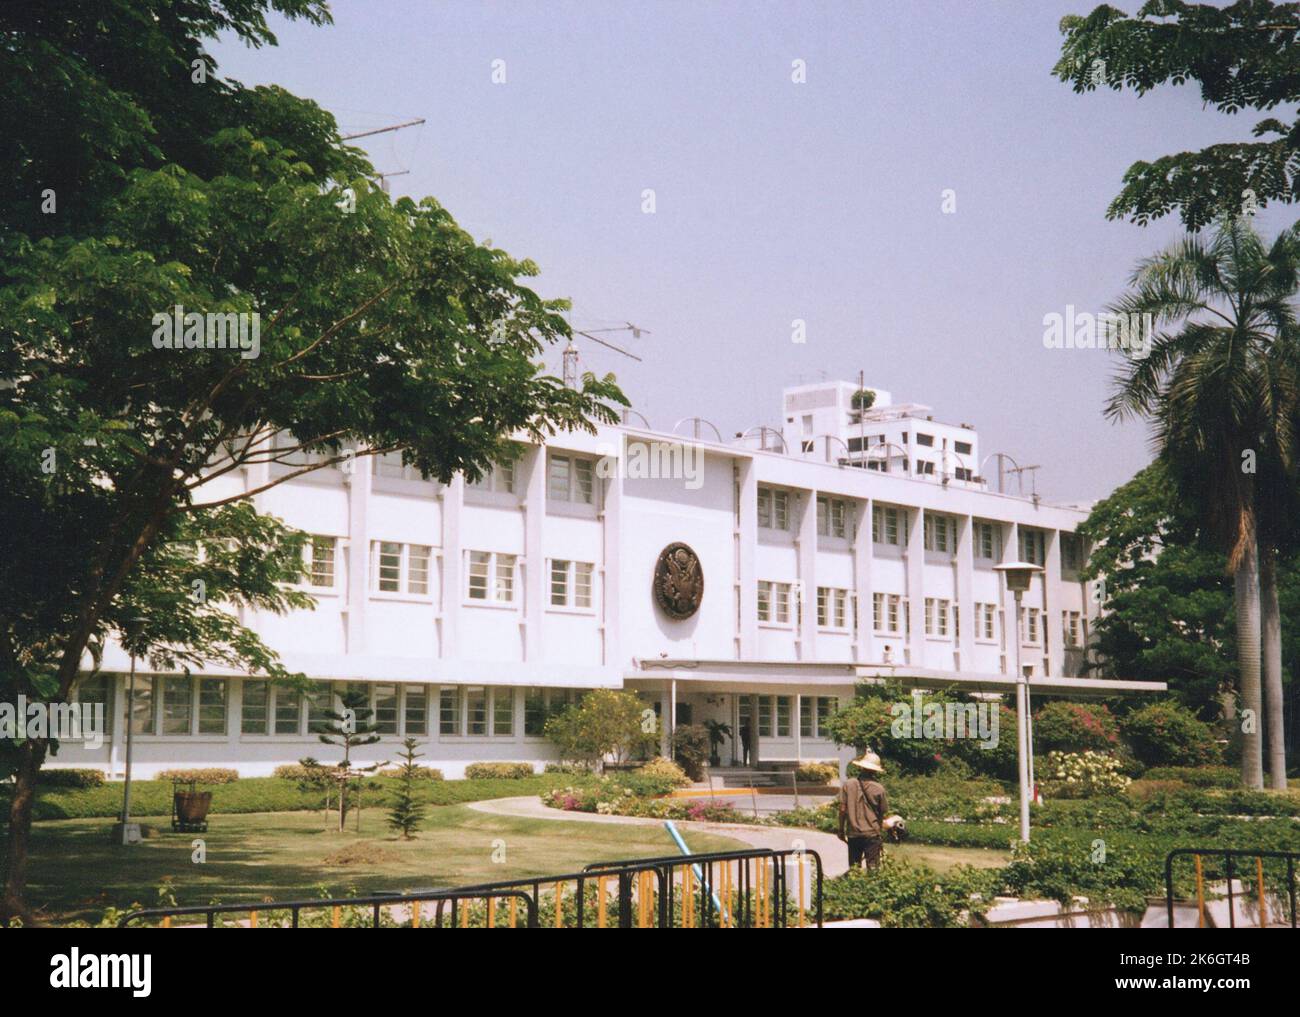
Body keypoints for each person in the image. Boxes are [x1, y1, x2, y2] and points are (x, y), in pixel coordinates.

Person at [837, 751, 888, 869]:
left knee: (854, 869)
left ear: (861, 767)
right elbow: (882, 812)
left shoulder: (848, 785)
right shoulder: (879, 788)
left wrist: (841, 829)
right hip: (871, 833)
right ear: (875, 770)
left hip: (853, 833)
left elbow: (842, 809)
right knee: (873, 868)